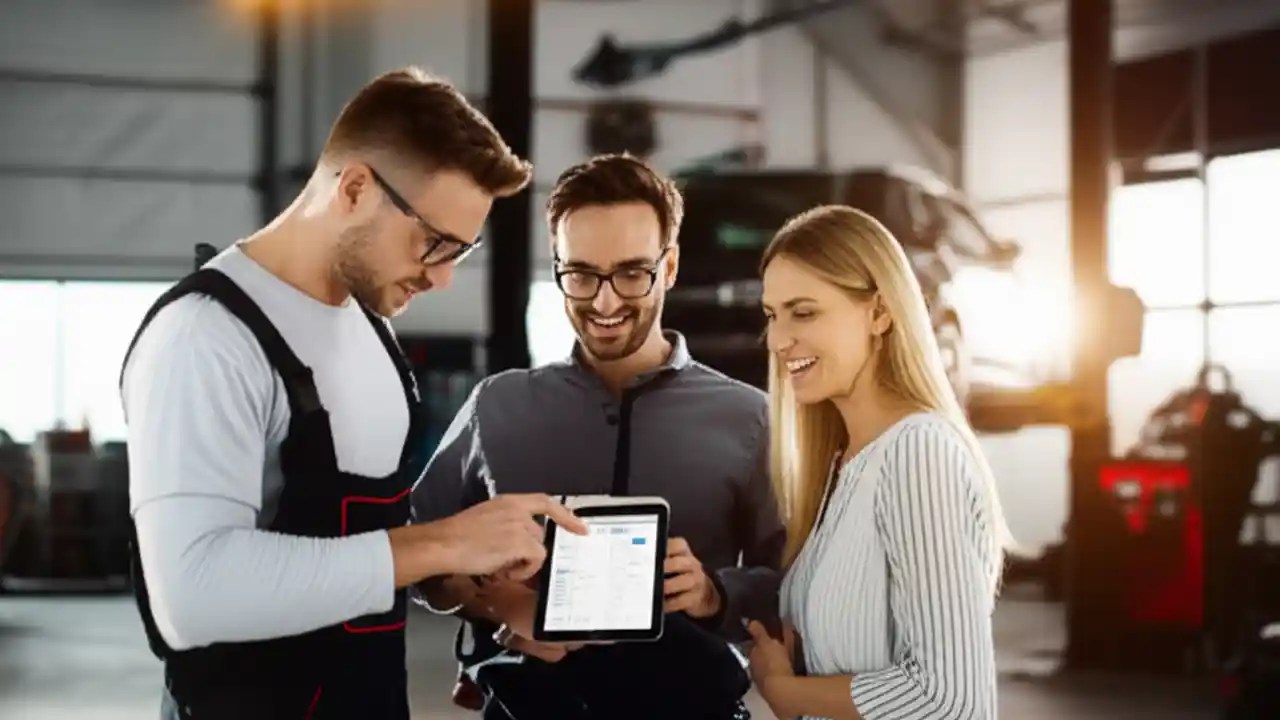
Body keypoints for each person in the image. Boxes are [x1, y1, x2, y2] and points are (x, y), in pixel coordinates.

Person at [119, 67, 585, 720]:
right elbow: (190, 599)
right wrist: (446, 542)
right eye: (434, 244)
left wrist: (481, 590)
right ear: (357, 187)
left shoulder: (373, 331)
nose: (445, 279)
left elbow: (370, 547)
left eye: (462, 251)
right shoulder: (206, 337)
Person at [410, 153, 785, 719]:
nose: (604, 302)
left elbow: (797, 589)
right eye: (581, 274)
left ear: (672, 266)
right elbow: (417, 554)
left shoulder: (750, 418)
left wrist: (715, 594)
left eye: (632, 273)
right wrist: (495, 600)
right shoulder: (497, 405)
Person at [745, 205, 1008, 720]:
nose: (778, 340)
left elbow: (949, 699)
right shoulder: (846, 465)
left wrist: (786, 691)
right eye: (772, 315)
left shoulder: (918, 453)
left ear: (880, 313)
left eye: (804, 312)